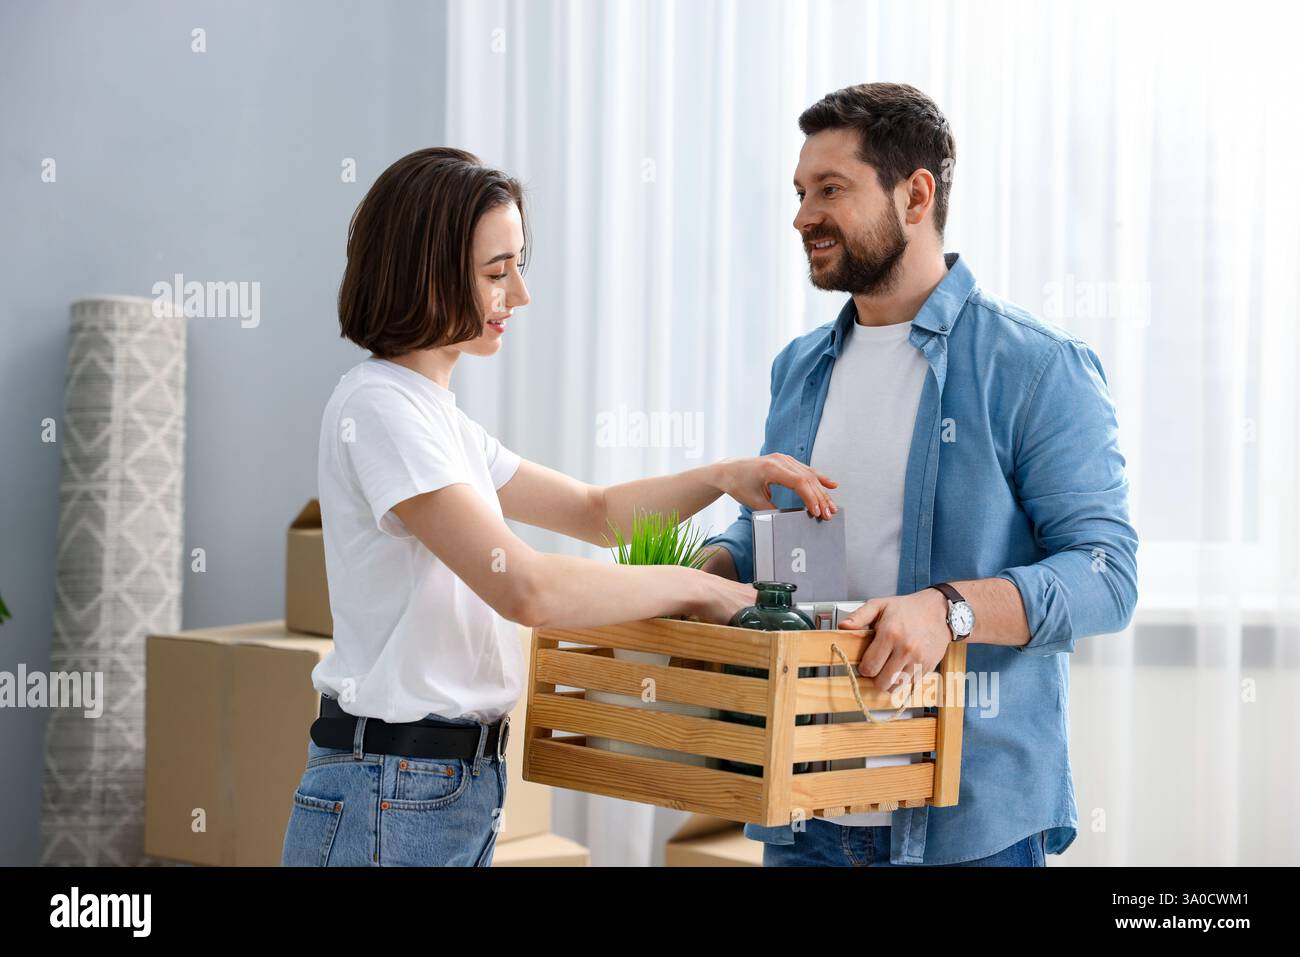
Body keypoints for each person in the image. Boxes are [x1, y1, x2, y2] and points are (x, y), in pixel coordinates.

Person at [280, 147, 838, 867]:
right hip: (394, 782)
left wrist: (726, 475)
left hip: (438, 783)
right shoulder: (381, 408)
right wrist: (702, 586)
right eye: (495, 272)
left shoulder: (436, 419)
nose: (518, 294)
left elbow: (597, 511)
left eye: (517, 266)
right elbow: (526, 586)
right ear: (426, 273)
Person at [700, 83, 1138, 866]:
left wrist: (949, 611)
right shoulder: (798, 369)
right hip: (803, 811)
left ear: (916, 194)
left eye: (831, 189)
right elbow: (781, 528)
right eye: (800, 193)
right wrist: (710, 570)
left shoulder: (1037, 366)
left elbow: (1107, 576)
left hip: (966, 825)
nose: (803, 215)